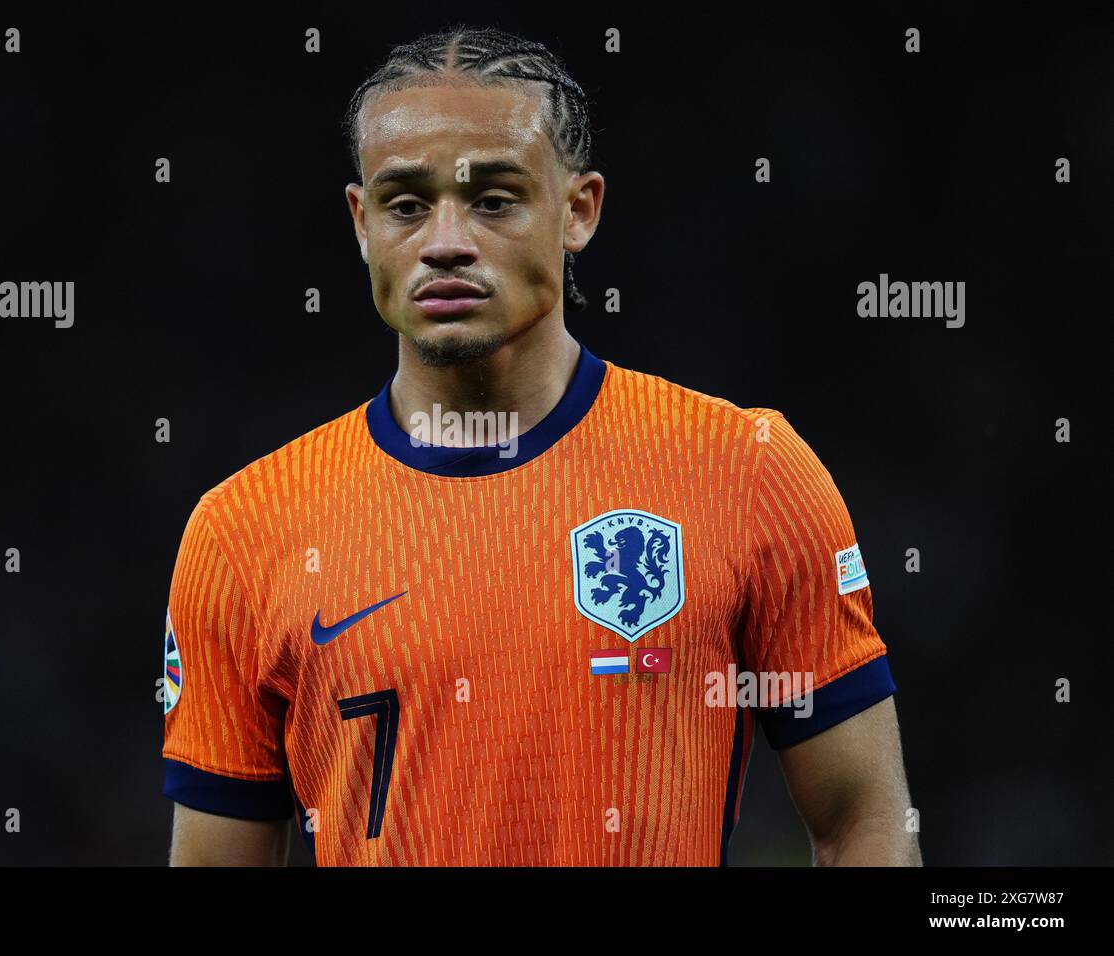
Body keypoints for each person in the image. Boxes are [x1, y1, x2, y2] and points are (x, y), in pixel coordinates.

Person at [162, 25, 919, 866]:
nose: (445, 242)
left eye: (493, 200)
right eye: (405, 204)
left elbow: (865, 823)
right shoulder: (243, 530)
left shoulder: (745, 468)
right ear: (361, 221)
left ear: (579, 210)